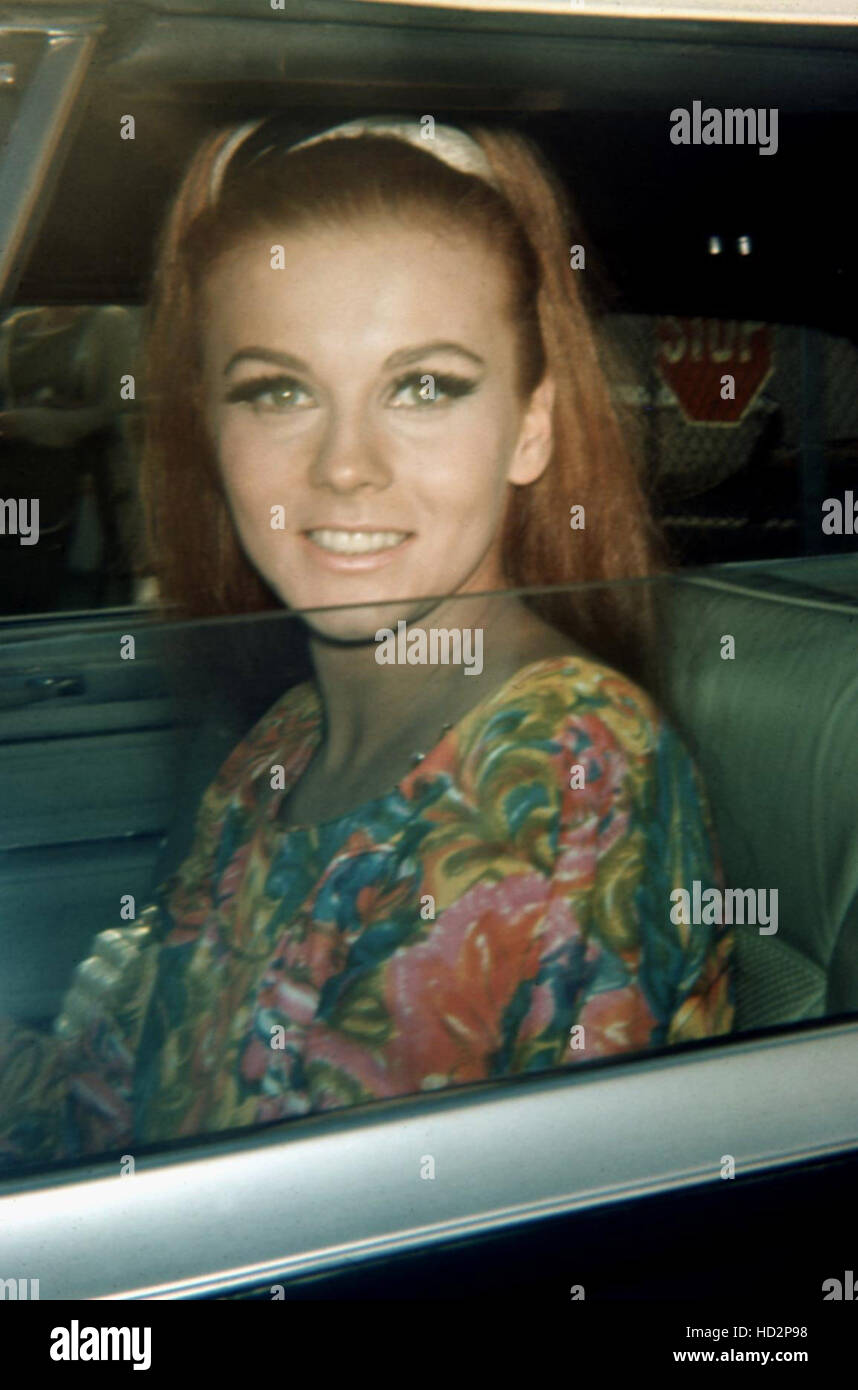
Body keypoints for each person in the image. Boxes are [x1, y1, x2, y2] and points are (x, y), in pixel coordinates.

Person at [0, 115, 733, 1171]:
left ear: (531, 427)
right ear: (213, 428)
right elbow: (115, 1105)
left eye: (424, 386)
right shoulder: (278, 747)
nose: (346, 466)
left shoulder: (570, 765)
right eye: (279, 389)